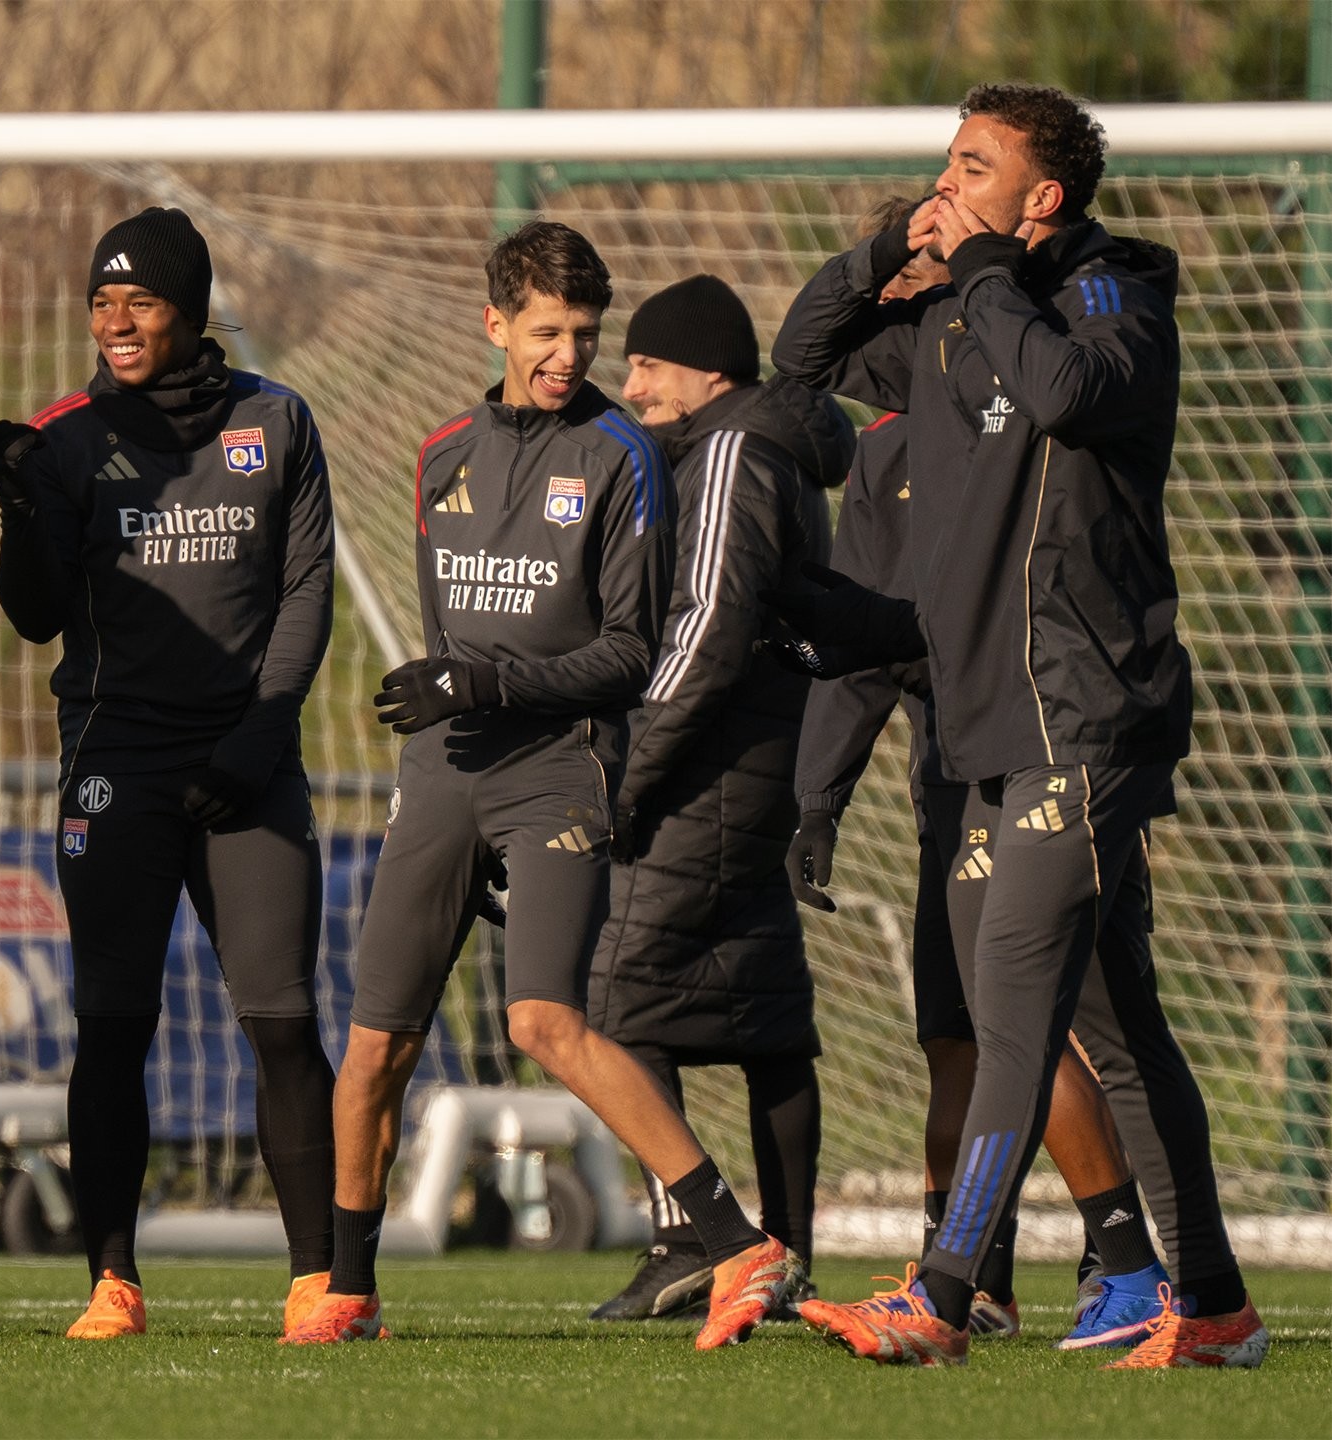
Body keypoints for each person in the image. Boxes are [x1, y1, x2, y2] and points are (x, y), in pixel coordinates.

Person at [768, 83, 1266, 1368]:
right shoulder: (949, 324)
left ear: (1039, 198)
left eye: (973, 165)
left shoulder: (1109, 299)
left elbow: (1059, 392)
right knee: (1118, 1029)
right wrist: (890, 252)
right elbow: (805, 360)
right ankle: (1207, 1306)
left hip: (1085, 718)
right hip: (990, 724)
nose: (948, 182)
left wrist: (983, 268)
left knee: (1008, 1006)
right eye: (946, 160)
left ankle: (942, 1296)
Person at [285, 222, 803, 1350]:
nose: (568, 354)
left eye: (584, 334)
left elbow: (629, 652)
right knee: (375, 1043)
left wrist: (482, 678)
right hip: (443, 777)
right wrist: (450, 696)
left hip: (557, 771)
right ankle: (347, 1287)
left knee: (544, 1022)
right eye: (547, 332)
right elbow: (444, 641)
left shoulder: (621, 457)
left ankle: (736, 1241)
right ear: (495, 325)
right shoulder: (439, 456)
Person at [0, 207, 338, 1341]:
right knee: (112, 1026)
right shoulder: (67, 435)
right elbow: (34, 617)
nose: (116, 322)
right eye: (100, 303)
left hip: (249, 768)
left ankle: (318, 1286)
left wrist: (255, 739)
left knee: (279, 1022)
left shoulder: (274, 421)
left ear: (190, 309)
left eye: (139, 301)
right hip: (113, 769)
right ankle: (112, 1283)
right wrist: (20, 509)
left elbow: (304, 594)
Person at [582, 275, 853, 1323]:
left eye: (649, 362)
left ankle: (692, 1239)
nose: (631, 381)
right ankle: (785, 1253)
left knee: (608, 1003)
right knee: (765, 1019)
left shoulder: (733, 450)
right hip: (757, 761)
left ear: (710, 371)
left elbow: (704, 630)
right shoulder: (747, 446)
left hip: (709, 764)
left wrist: (628, 773)